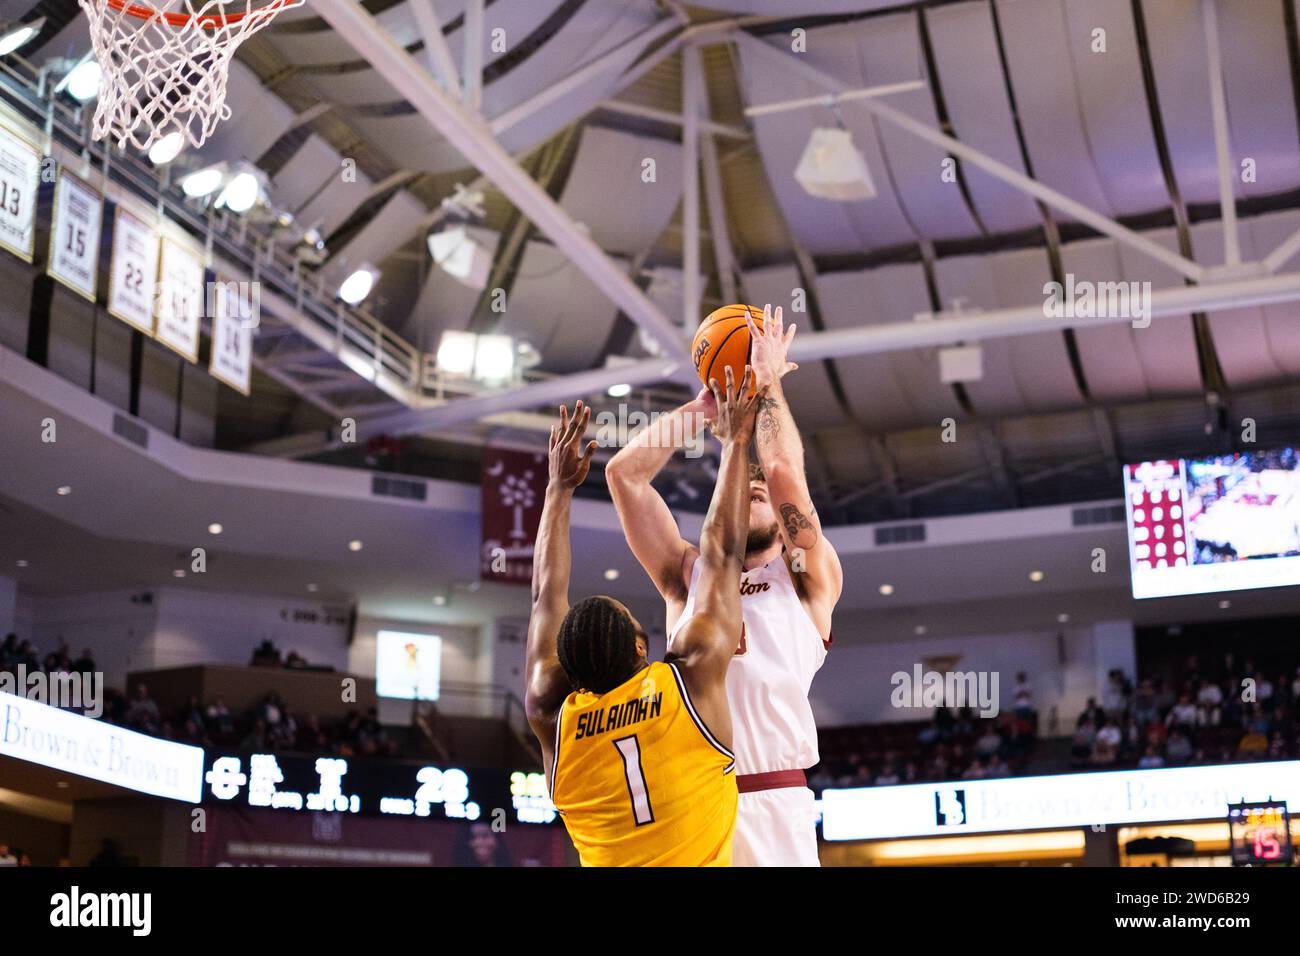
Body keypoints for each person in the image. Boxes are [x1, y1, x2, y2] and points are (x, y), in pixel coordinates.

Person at [605, 304, 842, 867]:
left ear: (787, 529)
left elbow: (782, 468)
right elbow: (624, 476)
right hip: (695, 803)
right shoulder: (689, 580)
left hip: (775, 800)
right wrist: (702, 408)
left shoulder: (806, 579)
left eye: (761, 491)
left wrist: (767, 386)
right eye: (747, 486)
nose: (756, 487)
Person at [526, 377, 757, 866]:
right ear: (638, 647)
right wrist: (559, 486)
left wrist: (557, 491)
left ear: (567, 670)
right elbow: (722, 549)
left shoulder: (555, 718)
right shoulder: (687, 682)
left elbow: (546, 594)